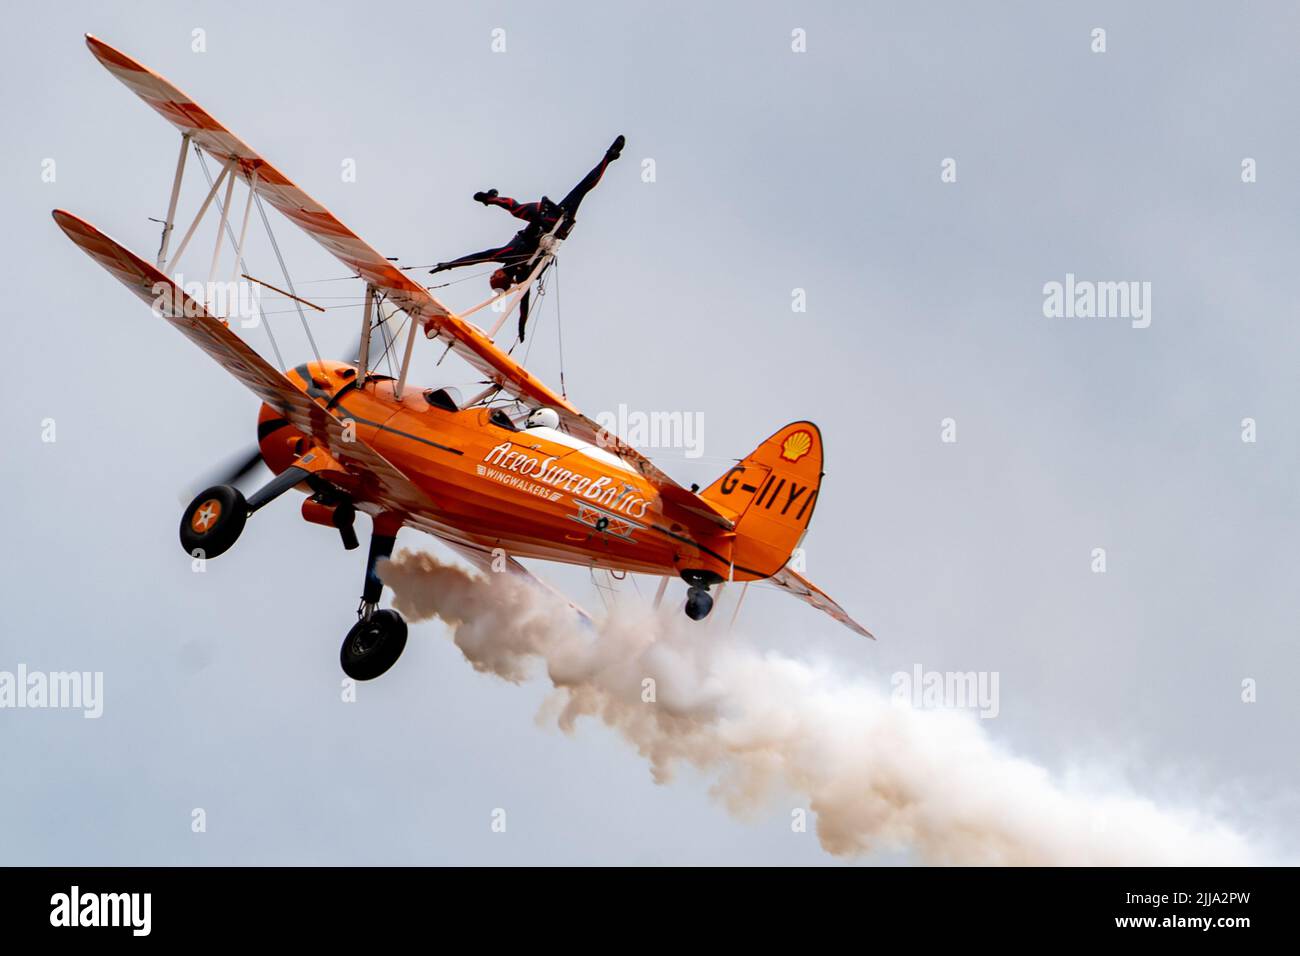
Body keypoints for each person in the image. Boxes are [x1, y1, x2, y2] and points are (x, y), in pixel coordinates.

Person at [430, 135, 625, 341]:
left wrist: (522, 326)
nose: (491, 275)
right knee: (534, 203)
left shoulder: (519, 272)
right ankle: (492, 198)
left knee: (579, 190)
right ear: (500, 278)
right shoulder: (509, 260)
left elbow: (522, 300)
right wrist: (449, 265)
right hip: (546, 219)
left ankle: (608, 158)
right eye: (493, 278)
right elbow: (479, 259)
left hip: (552, 224)